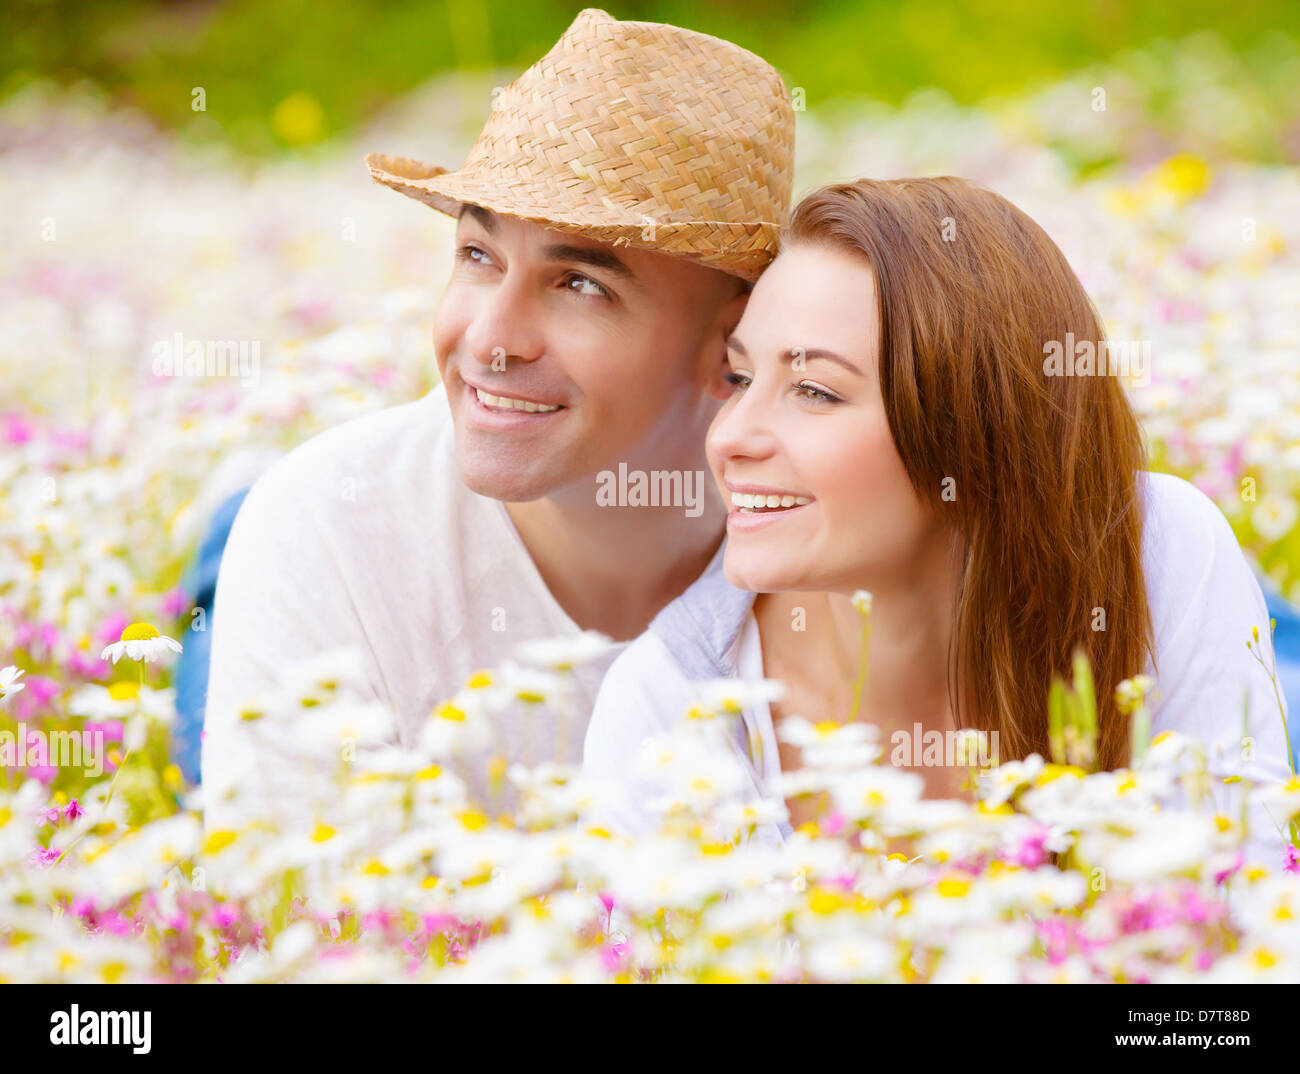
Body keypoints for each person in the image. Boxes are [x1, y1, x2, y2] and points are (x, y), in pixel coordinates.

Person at [200, 8, 794, 832]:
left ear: (731, 345)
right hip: (310, 536)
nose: (489, 340)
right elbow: (292, 915)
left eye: (582, 285)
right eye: (478, 256)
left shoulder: (816, 549)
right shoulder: (320, 530)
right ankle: (219, 532)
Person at [584, 176, 1294, 862]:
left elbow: (1242, 894)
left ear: (976, 428)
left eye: (814, 391)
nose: (730, 437)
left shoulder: (1158, 547)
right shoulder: (671, 711)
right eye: (740, 378)